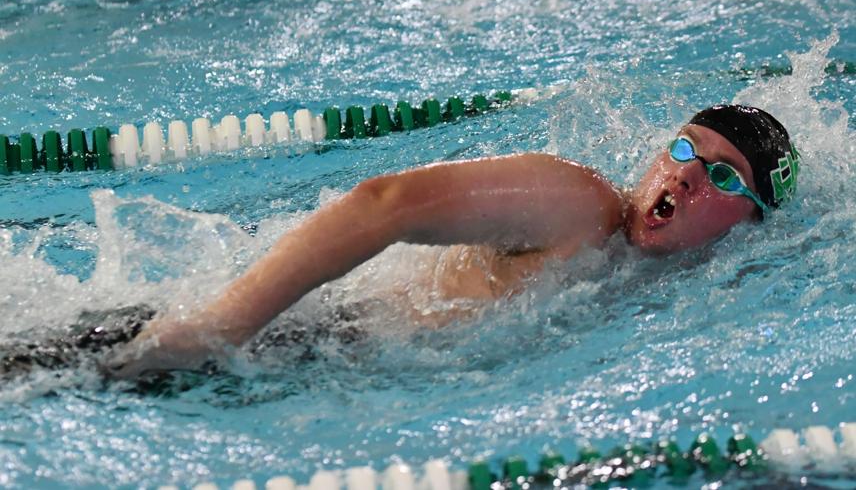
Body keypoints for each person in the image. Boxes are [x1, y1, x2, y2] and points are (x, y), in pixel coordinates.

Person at [106, 104, 801, 378]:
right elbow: (383, 202)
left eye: (719, 175)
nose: (683, 172)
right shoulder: (578, 207)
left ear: (750, 224)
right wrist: (216, 330)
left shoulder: (671, 290)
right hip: (273, 343)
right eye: (684, 147)